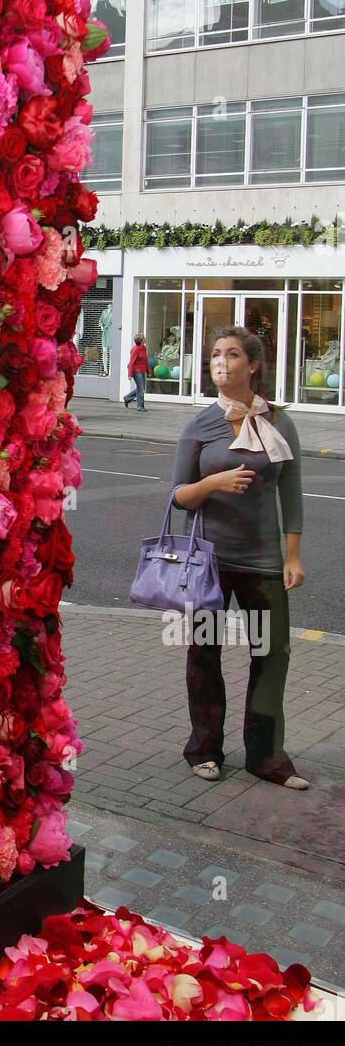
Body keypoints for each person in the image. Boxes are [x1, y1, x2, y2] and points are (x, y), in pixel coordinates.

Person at [171, 326, 308, 789]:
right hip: (210, 564)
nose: (221, 362)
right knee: (204, 653)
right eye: (214, 354)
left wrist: (292, 557)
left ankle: (267, 758)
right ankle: (204, 750)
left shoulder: (279, 423)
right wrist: (212, 484)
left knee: (271, 656)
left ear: (253, 365)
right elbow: (179, 496)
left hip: (265, 564)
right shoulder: (200, 425)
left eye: (231, 354)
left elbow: (291, 492)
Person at [123, 333, 150, 411]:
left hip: (142, 370)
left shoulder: (143, 348)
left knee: (141, 388)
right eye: (144, 338)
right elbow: (132, 362)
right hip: (136, 371)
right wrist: (130, 375)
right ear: (141, 340)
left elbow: (145, 360)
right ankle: (140, 406)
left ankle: (127, 398)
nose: (145, 339)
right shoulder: (135, 349)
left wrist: (148, 371)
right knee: (140, 389)